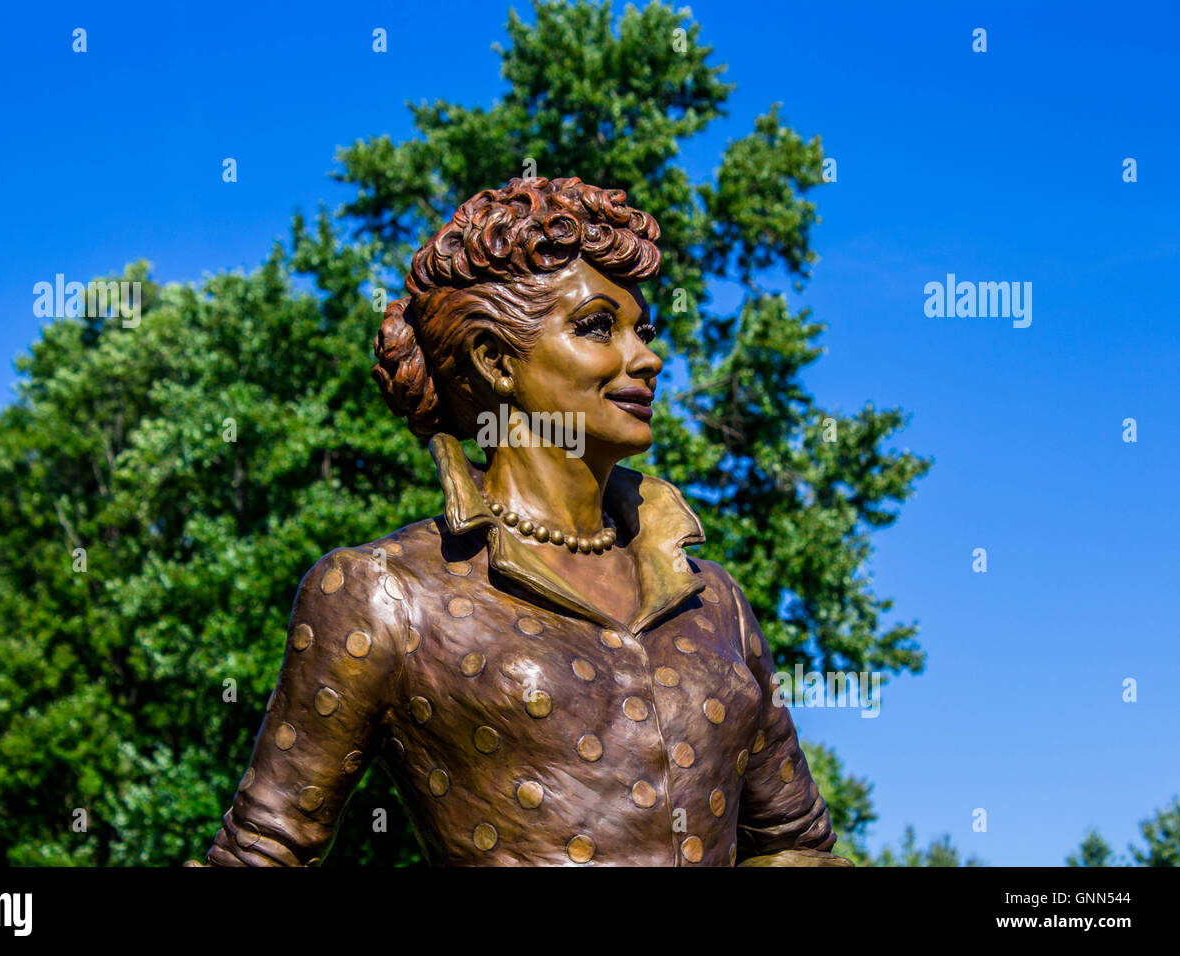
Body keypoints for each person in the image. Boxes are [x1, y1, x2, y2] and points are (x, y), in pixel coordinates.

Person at [195, 176, 850, 866]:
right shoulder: (384, 594)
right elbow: (263, 852)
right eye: (598, 326)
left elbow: (795, 849)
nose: (648, 358)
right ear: (495, 360)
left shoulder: (716, 602)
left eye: (645, 331)